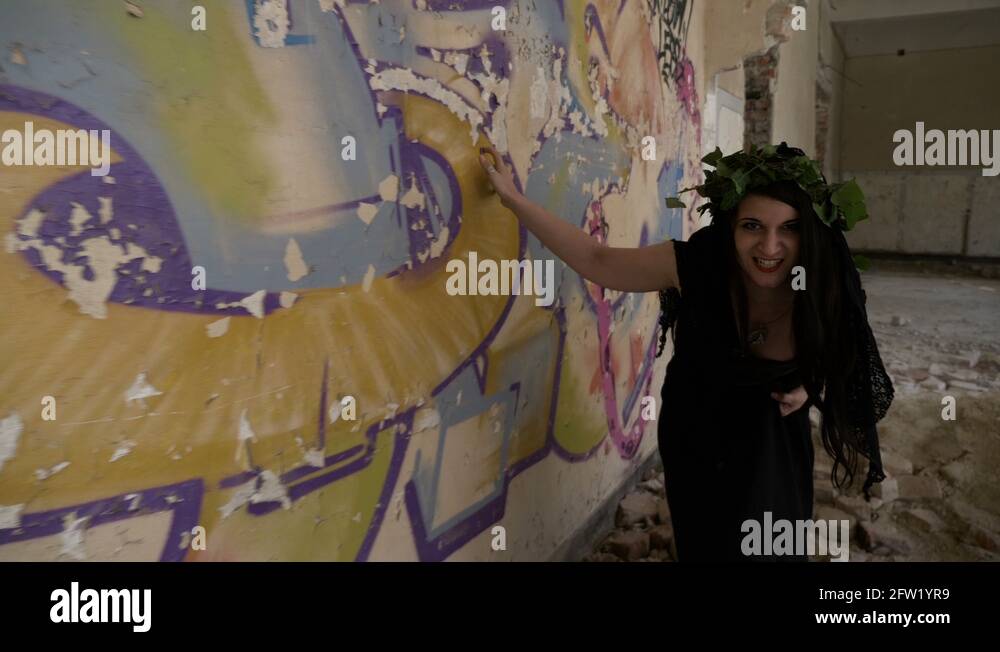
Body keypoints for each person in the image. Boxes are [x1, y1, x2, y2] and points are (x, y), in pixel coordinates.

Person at [478, 140, 893, 561]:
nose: (769, 247)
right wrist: (513, 199)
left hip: (772, 438)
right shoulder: (697, 264)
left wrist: (809, 383)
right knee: (705, 543)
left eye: (789, 228)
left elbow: (844, 351)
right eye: (752, 226)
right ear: (730, 225)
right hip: (697, 428)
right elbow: (597, 259)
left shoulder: (821, 284)